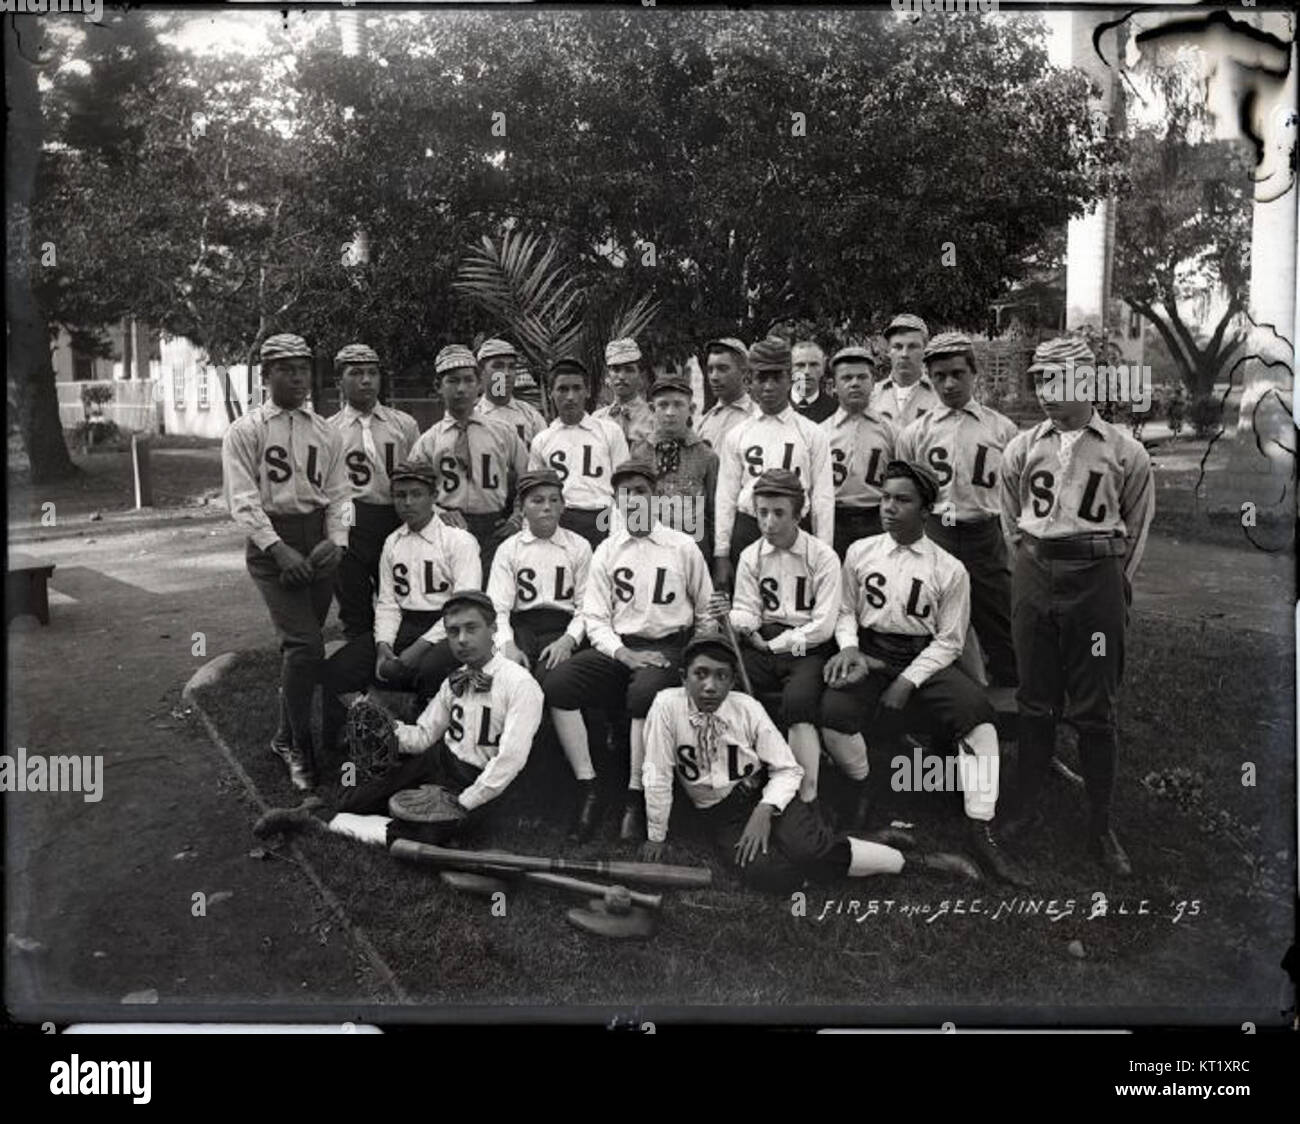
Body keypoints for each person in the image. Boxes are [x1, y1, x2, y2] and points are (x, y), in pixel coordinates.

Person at [820, 460, 1031, 887]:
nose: (889, 508)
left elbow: (951, 640)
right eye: (884, 498)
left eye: (902, 500)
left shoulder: (949, 567)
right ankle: (861, 791)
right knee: (831, 711)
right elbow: (844, 612)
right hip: (872, 651)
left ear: (925, 508)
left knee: (978, 716)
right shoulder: (861, 553)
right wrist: (850, 649)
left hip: (927, 658)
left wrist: (907, 680)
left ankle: (980, 825)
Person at [638, 632, 981, 893]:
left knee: (809, 853)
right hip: (720, 813)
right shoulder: (666, 707)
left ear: (732, 680)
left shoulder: (746, 708)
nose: (710, 686)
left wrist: (765, 809)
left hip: (764, 795)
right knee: (773, 876)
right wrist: (656, 835)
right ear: (684, 677)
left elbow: (787, 768)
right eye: (700, 674)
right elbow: (657, 771)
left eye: (720, 676)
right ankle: (862, 842)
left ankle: (914, 863)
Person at [999, 336, 1155, 877]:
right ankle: (1026, 808)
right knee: (1035, 698)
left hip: (1096, 576)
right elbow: (1010, 518)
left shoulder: (1124, 451)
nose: (1046, 393)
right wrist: (1030, 567)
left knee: (1094, 706)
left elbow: (1135, 527)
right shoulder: (1023, 448)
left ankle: (1100, 823)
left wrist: (1115, 587)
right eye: (1040, 380)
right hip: (1036, 570)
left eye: (1059, 381)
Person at [254, 590, 544, 849]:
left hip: (477, 781)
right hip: (439, 760)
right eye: (453, 632)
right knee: (354, 799)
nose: (462, 639)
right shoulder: (454, 679)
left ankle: (316, 820)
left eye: (472, 628)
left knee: (424, 836)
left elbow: (510, 760)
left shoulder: (520, 685)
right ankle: (320, 808)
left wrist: (465, 801)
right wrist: (388, 730)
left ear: (493, 629)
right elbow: (423, 736)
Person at [543, 459, 715, 843]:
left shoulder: (682, 546)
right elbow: (595, 618)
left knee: (641, 694)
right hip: (620, 648)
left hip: (667, 649)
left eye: (640, 491)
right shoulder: (607, 550)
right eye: (624, 493)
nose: (633, 499)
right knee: (559, 684)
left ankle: (635, 796)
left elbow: (705, 612)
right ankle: (589, 787)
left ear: (655, 496)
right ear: (615, 501)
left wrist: (693, 658)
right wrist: (622, 654)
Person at [222, 332, 349, 790]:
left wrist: (336, 540)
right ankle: (299, 744)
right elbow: (242, 500)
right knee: (305, 647)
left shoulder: (325, 430)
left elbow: (339, 494)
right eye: (286, 369)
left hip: (316, 540)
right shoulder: (247, 429)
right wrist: (277, 549)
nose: (298, 377)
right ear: (266, 374)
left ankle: (282, 736)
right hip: (273, 543)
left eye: (303, 368)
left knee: (303, 648)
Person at [318, 461, 481, 757]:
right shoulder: (392, 542)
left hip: (450, 628)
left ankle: (433, 748)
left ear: (434, 495)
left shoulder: (458, 540)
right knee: (339, 669)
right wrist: (383, 646)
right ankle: (366, 732)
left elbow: (463, 607)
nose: (407, 503)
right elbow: (388, 603)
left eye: (416, 494)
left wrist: (416, 650)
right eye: (400, 495)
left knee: (431, 669)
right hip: (406, 624)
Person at [896, 331, 1019, 687]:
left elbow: (1013, 489)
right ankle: (944, 689)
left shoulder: (1002, 428)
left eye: (957, 374)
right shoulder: (915, 433)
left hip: (984, 531)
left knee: (996, 611)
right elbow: (908, 491)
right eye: (939, 376)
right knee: (933, 613)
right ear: (928, 379)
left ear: (974, 374)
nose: (949, 384)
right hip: (937, 531)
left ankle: (1009, 690)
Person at [719, 469, 844, 816]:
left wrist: (774, 645)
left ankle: (806, 796)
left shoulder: (822, 556)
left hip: (805, 644)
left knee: (799, 701)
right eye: (762, 513)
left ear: (798, 514)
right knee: (731, 690)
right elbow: (747, 606)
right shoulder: (750, 555)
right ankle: (747, 776)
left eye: (779, 513)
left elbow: (823, 624)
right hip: (764, 639)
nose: (769, 523)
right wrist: (737, 621)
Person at [713, 336, 835, 588]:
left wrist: (824, 552)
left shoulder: (811, 433)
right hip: (748, 527)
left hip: (796, 528)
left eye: (776, 377)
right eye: (761, 378)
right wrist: (722, 553)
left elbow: (823, 498)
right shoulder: (738, 435)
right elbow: (725, 497)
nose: (768, 386)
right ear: (749, 382)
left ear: (790, 378)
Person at [408, 344, 529, 576]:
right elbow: (411, 490)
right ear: (438, 387)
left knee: (492, 598)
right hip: (448, 528)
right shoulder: (429, 440)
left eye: (468, 380)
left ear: (480, 385)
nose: (461, 389)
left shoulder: (502, 432)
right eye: (452, 381)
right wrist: (436, 511)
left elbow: (529, 477)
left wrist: (516, 518)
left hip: (494, 526)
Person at [328, 342, 421, 642]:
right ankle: (359, 666)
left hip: (393, 513)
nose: (366, 380)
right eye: (356, 373)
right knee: (354, 599)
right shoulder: (328, 430)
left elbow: (416, 474)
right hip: (351, 514)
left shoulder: (403, 424)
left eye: (372, 373)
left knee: (397, 594)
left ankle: (396, 665)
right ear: (338, 381)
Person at [487, 468, 590, 687]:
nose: (547, 507)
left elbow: (587, 606)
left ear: (563, 506)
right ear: (522, 508)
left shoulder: (579, 546)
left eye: (554, 500)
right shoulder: (509, 549)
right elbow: (498, 607)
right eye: (537, 501)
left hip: (562, 626)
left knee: (551, 675)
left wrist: (568, 640)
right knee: (511, 675)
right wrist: (506, 644)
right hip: (522, 627)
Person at [528, 357, 630, 550]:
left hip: (602, 519)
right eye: (562, 389)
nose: (570, 397)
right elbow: (535, 492)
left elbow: (623, 487)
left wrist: (618, 531)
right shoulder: (542, 440)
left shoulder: (609, 432)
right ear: (551, 393)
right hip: (560, 521)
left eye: (577, 388)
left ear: (588, 391)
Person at [629, 373, 719, 558]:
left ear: (691, 409)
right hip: (651, 546)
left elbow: (714, 510)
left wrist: (717, 556)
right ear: (652, 409)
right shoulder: (639, 453)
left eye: (678, 404)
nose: (670, 412)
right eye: (663, 405)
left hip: (693, 548)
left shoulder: (706, 455)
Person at [822, 345, 896, 559]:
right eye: (846, 378)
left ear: (873, 383)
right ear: (833, 386)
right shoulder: (820, 433)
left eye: (862, 377)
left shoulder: (890, 430)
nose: (855, 383)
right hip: (835, 519)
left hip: (876, 518)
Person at [473, 337, 547, 448]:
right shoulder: (472, 418)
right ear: (481, 372)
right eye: (498, 366)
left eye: (511, 367)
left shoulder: (531, 416)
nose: (506, 373)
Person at [870, 313, 939, 428]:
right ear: (888, 351)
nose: (904, 354)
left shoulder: (941, 398)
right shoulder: (871, 397)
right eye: (897, 347)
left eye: (912, 347)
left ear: (925, 351)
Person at [591, 337, 655, 447]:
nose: (621, 376)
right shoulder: (597, 419)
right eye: (616, 370)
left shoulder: (652, 418)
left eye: (629, 370)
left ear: (640, 375)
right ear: (608, 375)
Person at [696, 337, 756, 452]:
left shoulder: (757, 418)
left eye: (722, 369)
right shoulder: (704, 422)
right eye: (710, 370)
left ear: (743, 372)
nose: (714, 377)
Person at [790, 340, 837, 423]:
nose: (807, 371)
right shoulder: (774, 407)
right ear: (790, 368)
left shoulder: (835, 412)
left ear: (823, 367)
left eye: (814, 365)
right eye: (800, 365)